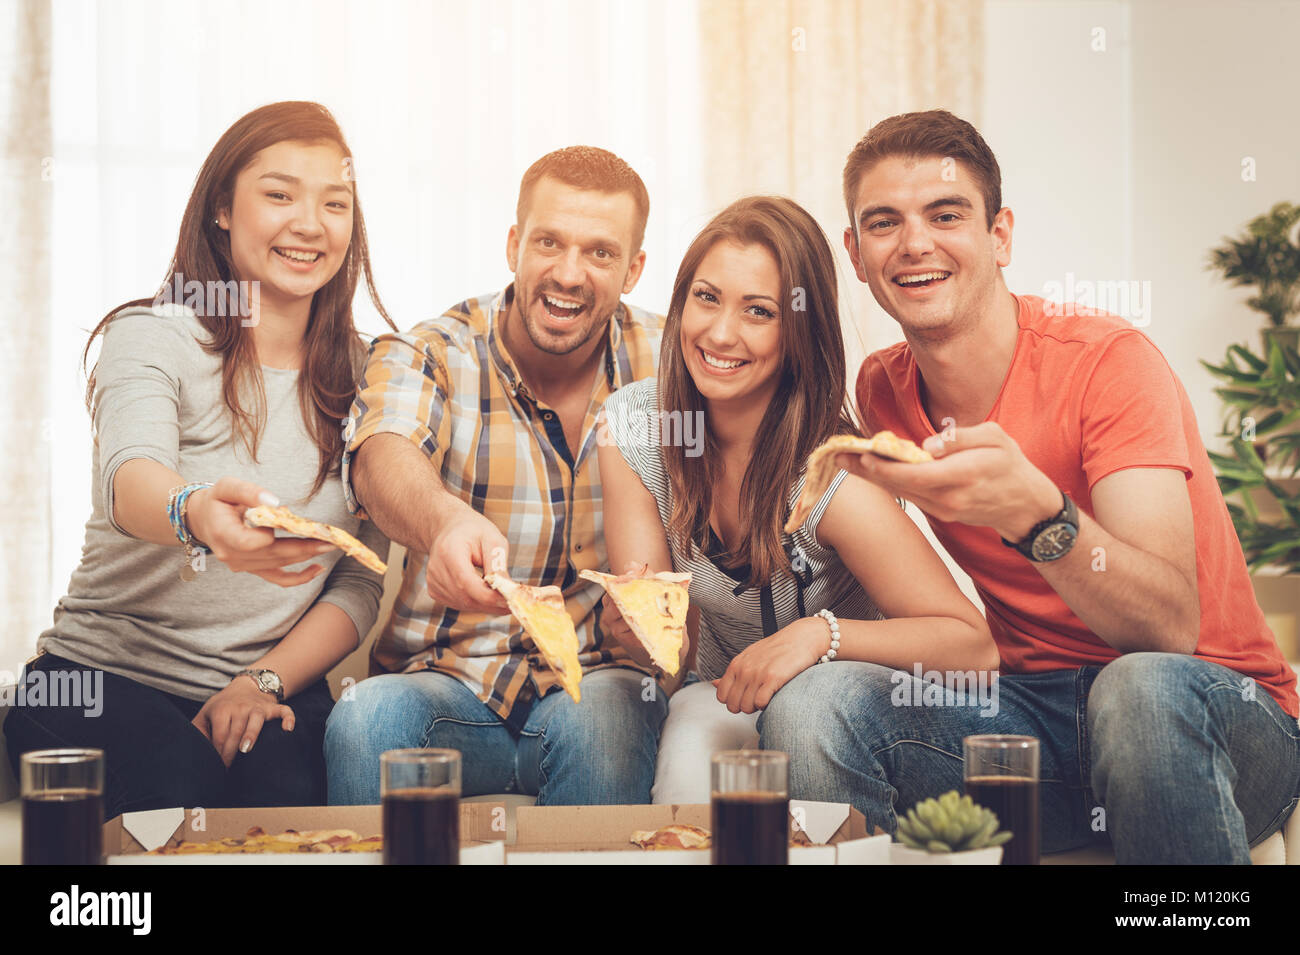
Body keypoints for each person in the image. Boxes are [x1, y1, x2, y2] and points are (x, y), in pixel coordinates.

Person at [762, 108, 1300, 863]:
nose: (914, 242)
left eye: (945, 214)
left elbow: (1169, 629)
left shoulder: (1109, 363)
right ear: (855, 253)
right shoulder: (882, 390)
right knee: (817, 704)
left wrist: (1039, 515)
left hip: (1213, 712)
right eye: (884, 223)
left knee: (1136, 692)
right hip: (1034, 726)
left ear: (1000, 235)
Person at [4, 101, 392, 815]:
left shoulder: (375, 377)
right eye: (279, 194)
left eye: (334, 202)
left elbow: (358, 583)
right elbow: (131, 476)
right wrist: (196, 513)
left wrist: (263, 682)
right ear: (222, 208)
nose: (310, 223)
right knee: (177, 786)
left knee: (286, 803)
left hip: (266, 681)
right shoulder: (153, 335)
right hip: (100, 677)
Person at [596, 195, 995, 804]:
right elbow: (669, 652)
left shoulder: (833, 475)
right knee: (688, 738)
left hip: (847, 705)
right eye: (707, 297)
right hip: (726, 695)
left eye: (759, 311)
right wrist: (639, 634)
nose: (721, 333)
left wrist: (820, 635)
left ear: (798, 333)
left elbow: (972, 648)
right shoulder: (634, 427)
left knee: (798, 713)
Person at [325, 146, 670, 806]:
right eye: (548, 242)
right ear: (514, 244)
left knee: (602, 720)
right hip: (445, 680)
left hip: (600, 681)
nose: (568, 273)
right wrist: (444, 518)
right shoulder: (431, 350)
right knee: (365, 716)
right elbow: (380, 454)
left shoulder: (675, 362)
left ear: (633, 269)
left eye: (600, 253)